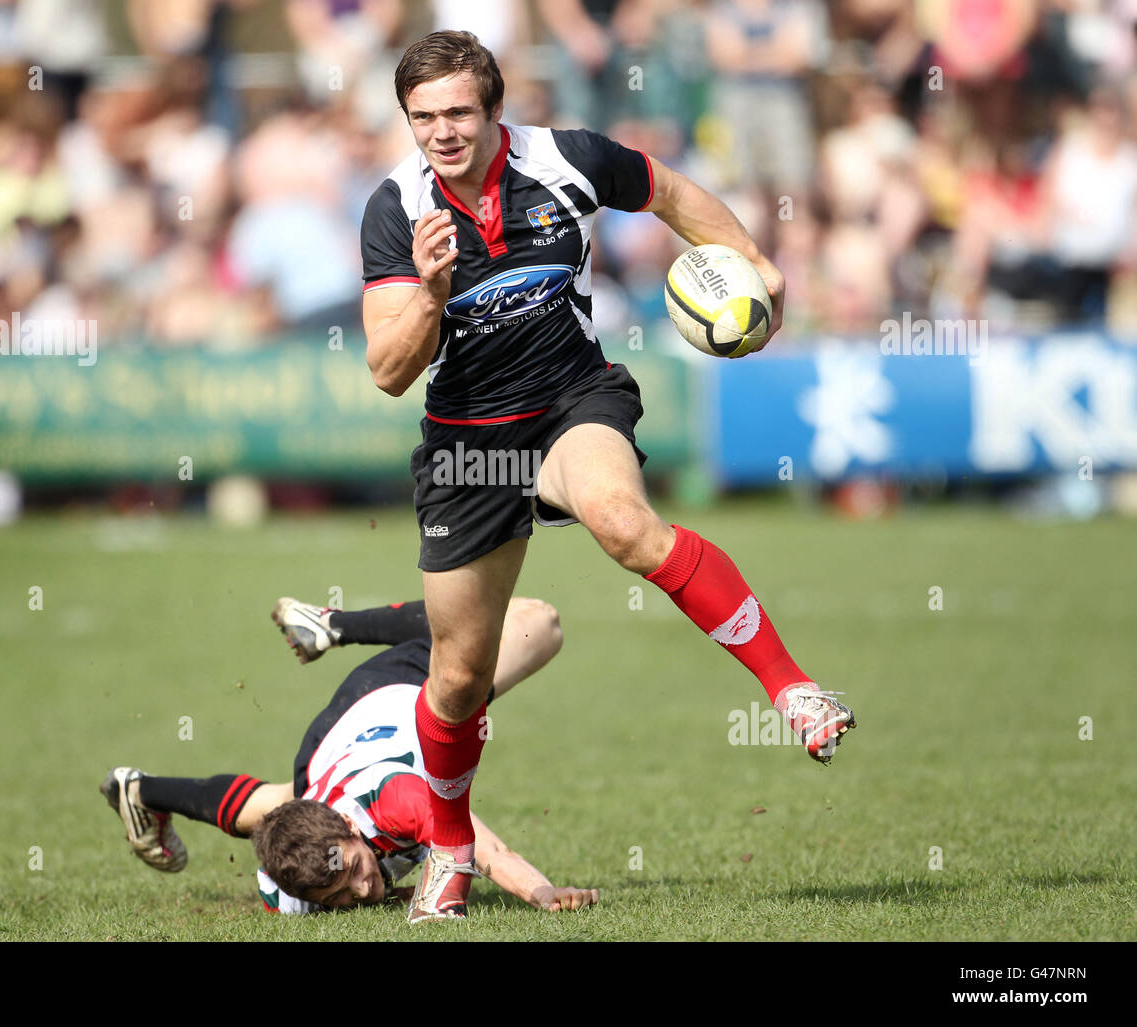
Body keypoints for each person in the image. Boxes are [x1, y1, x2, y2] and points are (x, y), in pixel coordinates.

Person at [359, 29, 857, 922]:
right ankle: (449, 847)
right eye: (423, 116)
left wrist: (756, 260)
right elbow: (390, 371)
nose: (441, 131)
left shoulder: (566, 160)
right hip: (469, 445)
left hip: (570, 401)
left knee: (623, 521)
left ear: (494, 109)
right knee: (459, 678)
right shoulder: (396, 209)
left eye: (458, 112)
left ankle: (793, 687)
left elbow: (670, 193)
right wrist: (430, 293)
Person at [99, 594, 599, 917]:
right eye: (338, 898)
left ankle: (334, 625)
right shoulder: (288, 886)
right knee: (281, 810)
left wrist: (543, 893)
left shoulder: (397, 799)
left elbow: (480, 849)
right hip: (324, 759)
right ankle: (139, 789)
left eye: (355, 872)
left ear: (353, 831)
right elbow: (285, 846)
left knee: (535, 624)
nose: (361, 892)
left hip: (392, 691)